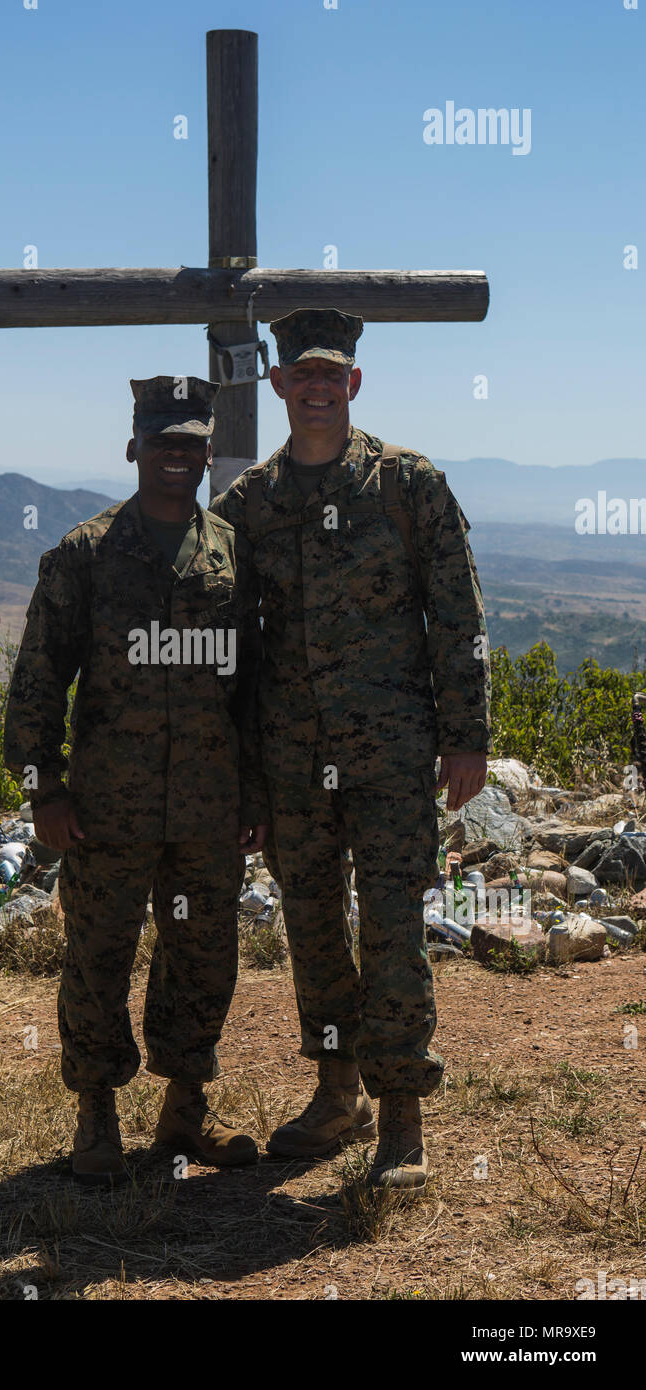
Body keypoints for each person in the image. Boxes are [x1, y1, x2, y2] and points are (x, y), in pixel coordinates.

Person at [211, 308, 491, 1192]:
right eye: (304, 376)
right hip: (292, 757)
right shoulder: (251, 505)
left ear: (354, 384)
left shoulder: (408, 486)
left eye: (333, 375)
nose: (319, 388)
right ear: (280, 385)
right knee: (313, 926)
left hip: (394, 751)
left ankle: (401, 1114)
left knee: (395, 924)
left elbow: (458, 617)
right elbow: (227, 641)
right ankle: (338, 1094)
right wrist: (242, 776)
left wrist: (466, 735)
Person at [4, 375, 269, 1184]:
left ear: (205, 450)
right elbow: (39, 677)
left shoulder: (231, 552)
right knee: (98, 956)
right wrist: (44, 789)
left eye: (191, 443)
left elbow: (254, 685)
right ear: (135, 446)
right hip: (105, 808)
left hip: (207, 806)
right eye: (163, 441)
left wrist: (254, 794)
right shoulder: (87, 553)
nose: (177, 456)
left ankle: (186, 1111)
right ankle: (96, 1119)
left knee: (202, 955)